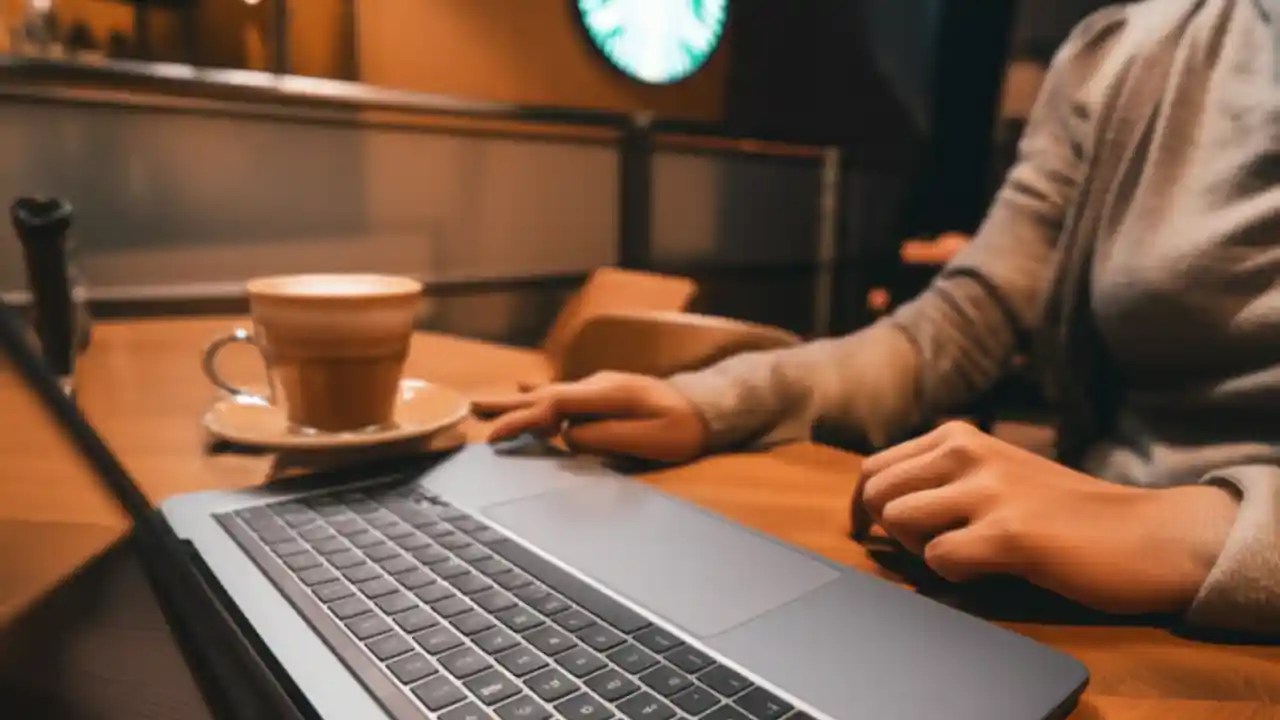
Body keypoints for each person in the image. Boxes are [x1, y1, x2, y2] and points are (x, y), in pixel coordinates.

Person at [478, 0, 1279, 635]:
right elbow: (956, 327)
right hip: (1072, 594)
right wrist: (718, 399)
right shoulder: (1130, 55)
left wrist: (1208, 535)